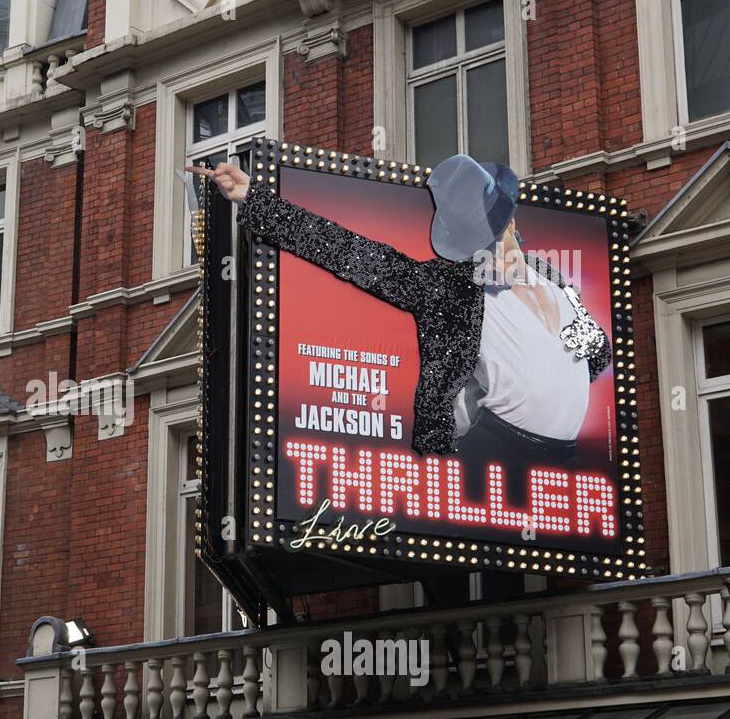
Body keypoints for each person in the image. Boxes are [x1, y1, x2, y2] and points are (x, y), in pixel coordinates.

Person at [189, 156, 611, 483]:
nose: (493, 253)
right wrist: (257, 199)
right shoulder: (448, 286)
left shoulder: (551, 277)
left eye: (496, 235)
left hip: (566, 466)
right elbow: (352, 253)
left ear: (513, 224)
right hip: (499, 456)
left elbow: (596, 354)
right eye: (476, 243)